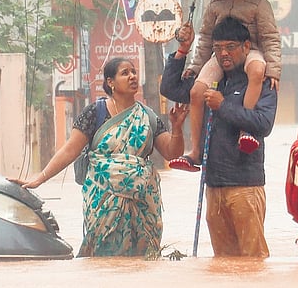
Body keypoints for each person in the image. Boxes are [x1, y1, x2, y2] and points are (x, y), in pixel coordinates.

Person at [12, 57, 187, 257]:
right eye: (125, 73)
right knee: (102, 258)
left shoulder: (147, 116)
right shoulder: (95, 113)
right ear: (110, 82)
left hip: (143, 203)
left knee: (143, 261)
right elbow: (70, 150)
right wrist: (39, 179)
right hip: (103, 201)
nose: (132, 77)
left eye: (133, 72)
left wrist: (177, 127)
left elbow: (172, 153)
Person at [162, 16, 277, 257]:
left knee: (253, 261)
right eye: (218, 48)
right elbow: (170, 89)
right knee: (222, 263)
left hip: (245, 187)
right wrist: (182, 50)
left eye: (230, 47)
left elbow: (263, 124)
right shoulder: (209, 82)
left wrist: (223, 105)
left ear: (247, 47)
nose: (224, 54)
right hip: (213, 186)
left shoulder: (261, 82)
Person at [170, 0, 281, 171]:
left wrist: (274, 70)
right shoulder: (214, 4)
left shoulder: (259, 3)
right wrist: (194, 67)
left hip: (251, 52)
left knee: (258, 70)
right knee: (195, 92)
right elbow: (205, 38)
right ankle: (195, 151)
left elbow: (270, 37)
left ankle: (245, 131)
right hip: (219, 54)